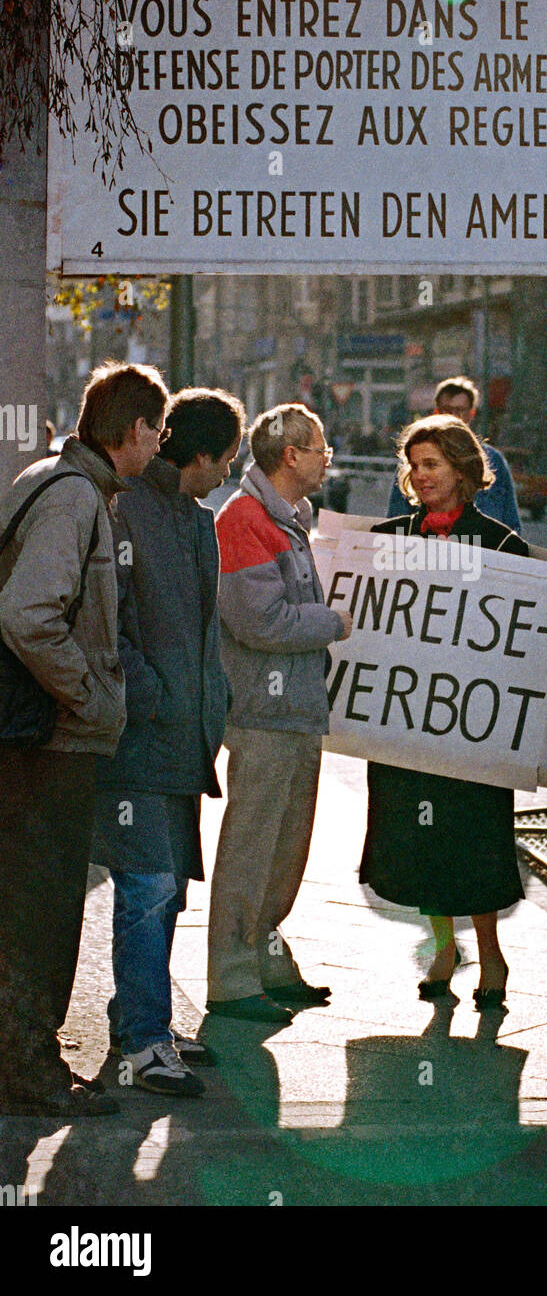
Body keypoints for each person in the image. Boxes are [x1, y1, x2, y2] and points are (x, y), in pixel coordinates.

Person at [0, 360, 168, 1117]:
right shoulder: (74, 499)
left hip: (31, 738)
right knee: (42, 909)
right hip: (50, 743)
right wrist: (90, 694)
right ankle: (29, 1070)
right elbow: (28, 614)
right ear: (134, 431)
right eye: (158, 433)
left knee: (25, 904)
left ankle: (22, 1054)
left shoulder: (51, 479)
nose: (159, 448)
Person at [91, 388, 245, 1096]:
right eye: (228, 459)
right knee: (149, 885)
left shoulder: (199, 518)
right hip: (142, 740)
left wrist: (211, 703)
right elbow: (110, 623)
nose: (227, 473)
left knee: (169, 887)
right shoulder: (125, 507)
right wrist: (153, 697)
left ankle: (140, 1018)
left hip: (184, 740)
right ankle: (147, 1043)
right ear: (205, 454)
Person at [361, 414, 528, 1008]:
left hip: (472, 727)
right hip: (407, 721)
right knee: (420, 840)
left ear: (462, 469)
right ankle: (442, 948)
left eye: (432, 463)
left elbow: (519, 644)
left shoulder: (503, 545)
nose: (421, 475)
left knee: (476, 838)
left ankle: (491, 956)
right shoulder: (387, 538)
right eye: (415, 465)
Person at [207, 405, 353, 1021]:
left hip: (291, 708)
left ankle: (266, 958)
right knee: (252, 845)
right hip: (263, 712)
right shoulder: (244, 519)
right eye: (320, 448)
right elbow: (259, 619)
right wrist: (334, 623)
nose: (328, 459)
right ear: (290, 456)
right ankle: (233, 977)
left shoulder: (288, 517)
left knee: (285, 846)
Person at [387, 376, 522, 531]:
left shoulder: (493, 460)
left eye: (459, 410)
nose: (452, 416)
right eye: (446, 410)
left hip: (482, 549)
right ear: (436, 412)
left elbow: (511, 522)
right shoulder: (416, 458)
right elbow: (397, 518)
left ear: (471, 414)